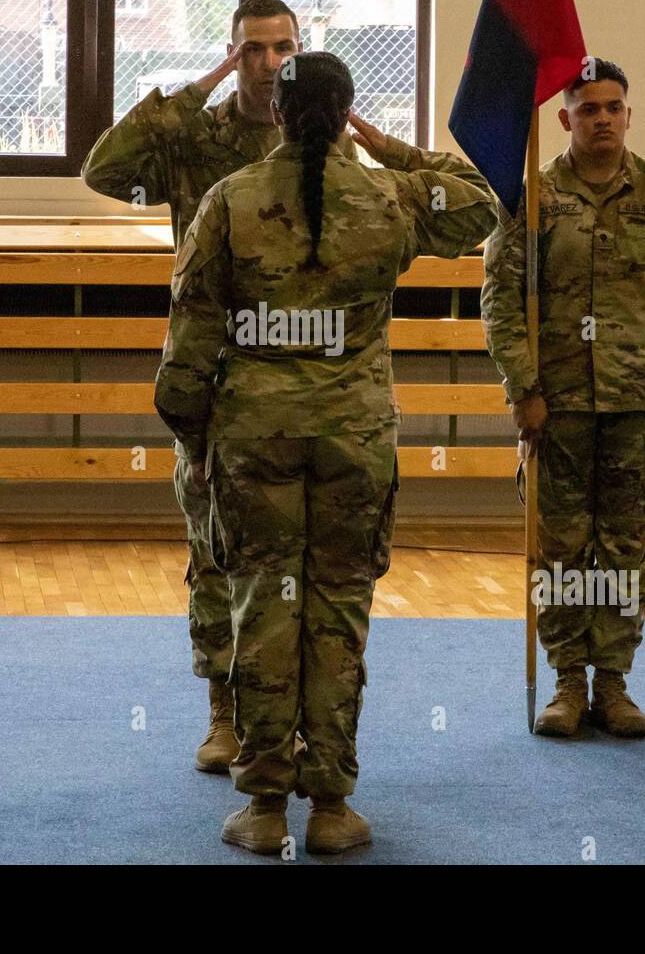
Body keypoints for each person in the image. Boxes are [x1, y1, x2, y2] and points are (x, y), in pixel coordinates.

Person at [155, 52, 497, 854]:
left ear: (276, 110)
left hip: (253, 441)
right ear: (346, 115)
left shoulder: (229, 202)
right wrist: (389, 147)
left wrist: (194, 440)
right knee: (339, 611)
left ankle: (266, 808)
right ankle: (333, 808)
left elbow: (185, 353)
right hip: (355, 439)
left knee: (264, 610)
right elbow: (482, 202)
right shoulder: (390, 196)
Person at [81, 0, 300, 773]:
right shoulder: (196, 141)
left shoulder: (316, 145)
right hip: (211, 376)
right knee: (213, 550)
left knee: (288, 563)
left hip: (295, 378)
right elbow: (102, 169)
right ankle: (222, 713)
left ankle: (286, 715)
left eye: (282, 49)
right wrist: (194, 88)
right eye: (253, 50)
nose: (270, 64)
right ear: (233, 54)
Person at [481, 59, 645, 739]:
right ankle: (565, 680)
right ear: (565, 119)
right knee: (557, 547)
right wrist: (522, 387)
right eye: (589, 109)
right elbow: (500, 299)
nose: (604, 120)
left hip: (637, 404)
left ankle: (613, 683)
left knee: (623, 546)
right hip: (555, 406)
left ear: (628, 114)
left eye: (615, 107)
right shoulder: (531, 199)